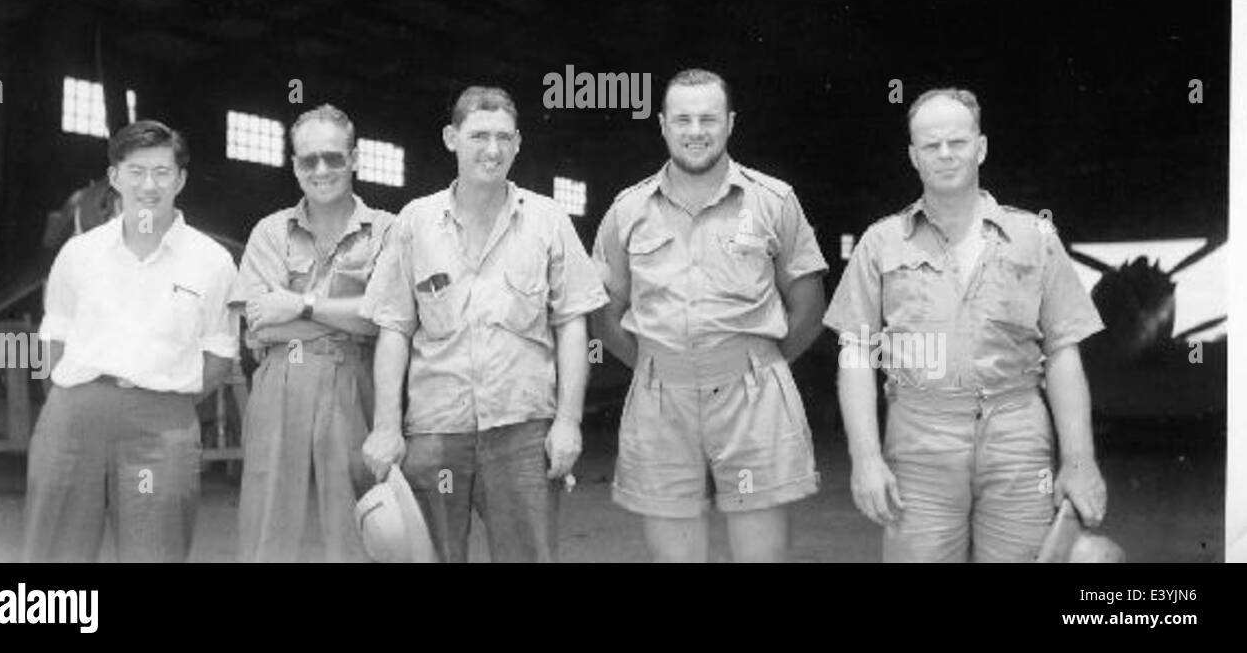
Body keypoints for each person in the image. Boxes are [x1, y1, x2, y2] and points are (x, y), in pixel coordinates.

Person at [823, 87, 1108, 562]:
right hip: (919, 437)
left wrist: (1079, 462)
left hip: (1017, 432)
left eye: (957, 141)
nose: (945, 154)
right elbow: (855, 357)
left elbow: (1062, 352)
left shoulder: (1034, 237)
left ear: (981, 147)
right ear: (913, 156)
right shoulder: (881, 243)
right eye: (931, 146)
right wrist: (866, 460)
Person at [360, 85, 606, 562]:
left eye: (503, 137)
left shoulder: (547, 220)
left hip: (523, 430)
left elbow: (573, 323)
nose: (492, 150)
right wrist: (385, 426)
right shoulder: (416, 222)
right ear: (451, 138)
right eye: (478, 136)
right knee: (431, 555)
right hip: (435, 432)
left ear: (518, 143)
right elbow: (393, 328)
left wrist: (569, 422)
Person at [591, 68, 828, 562]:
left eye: (708, 119)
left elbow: (808, 304)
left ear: (730, 123)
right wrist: (658, 364)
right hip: (661, 400)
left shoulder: (773, 201)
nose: (695, 131)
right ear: (662, 125)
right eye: (682, 119)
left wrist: (758, 363)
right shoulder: (628, 210)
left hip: (753, 398)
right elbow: (604, 311)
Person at [24, 120, 238, 562]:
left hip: (160, 431)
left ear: (180, 179)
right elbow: (54, 339)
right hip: (73, 421)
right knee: (55, 550)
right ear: (115, 177)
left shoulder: (212, 262)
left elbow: (218, 355)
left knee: (154, 550)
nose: (149, 185)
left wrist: (158, 398)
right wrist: (80, 401)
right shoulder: (79, 254)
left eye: (162, 172)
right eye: (136, 171)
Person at [234, 104, 393, 562]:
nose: (321, 170)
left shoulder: (387, 230)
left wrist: (300, 304)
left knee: (354, 528)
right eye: (308, 160)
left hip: (355, 383)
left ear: (355, 158)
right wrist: (346, 315)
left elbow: (383, 317)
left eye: (333, 157)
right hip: (278, 386)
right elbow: (262, 322)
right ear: (295, 166)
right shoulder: (269, 231)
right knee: (269, 525)